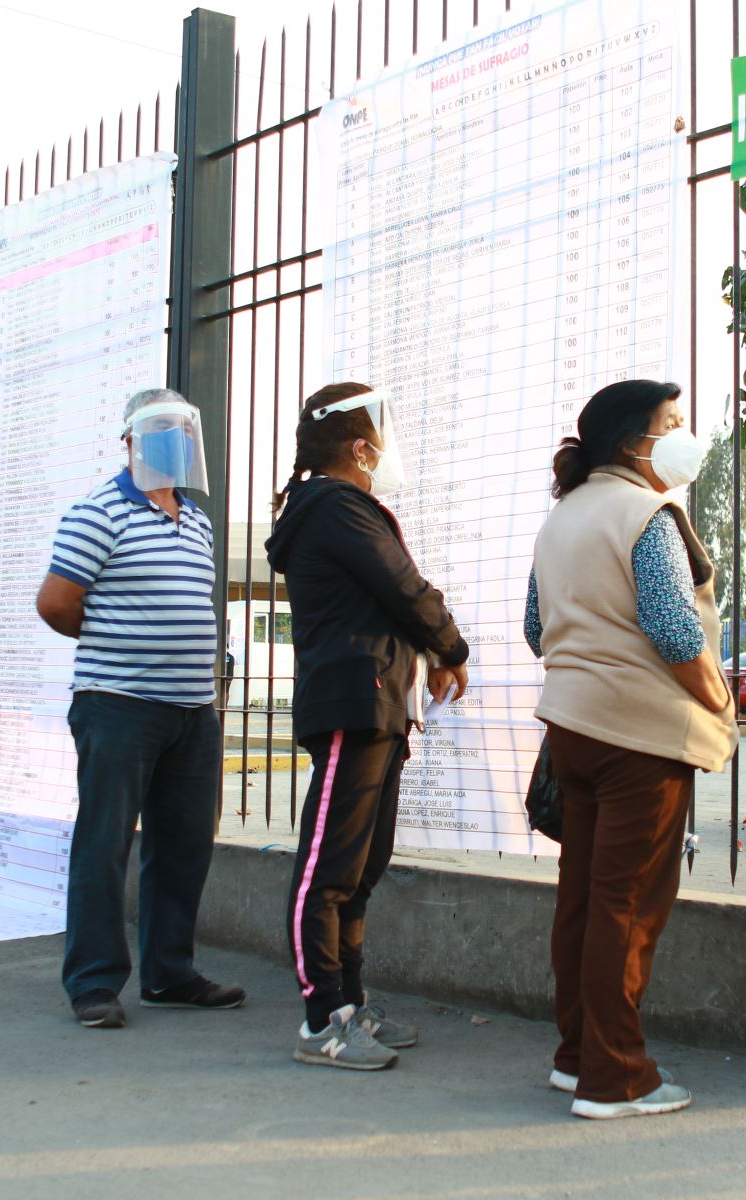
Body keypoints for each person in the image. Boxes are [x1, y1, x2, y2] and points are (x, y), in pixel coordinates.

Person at [524, 379, 737, 1119]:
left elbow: (534, 627)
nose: (684, 434)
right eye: (671, 423)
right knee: (629, 906)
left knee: (583, 896)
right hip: (639, 736)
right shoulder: (649, 513)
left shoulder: (565, 517)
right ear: (631, 441)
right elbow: (678, 633)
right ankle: (616, 1078)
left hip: (573, 729)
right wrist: (717, 697)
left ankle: (576, 1055)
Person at [265, 382, 469, 1071]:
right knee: (326, 869)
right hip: (354, 699)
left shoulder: (337, 507)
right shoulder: (335, 507)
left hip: (380, 701)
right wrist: (452, 647)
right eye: (381, 437)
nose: (388, 451)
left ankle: (351, 1002)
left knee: (361, 866)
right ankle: (322, 1019)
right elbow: (404, 587)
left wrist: (432, 654)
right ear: (359, 447)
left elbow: (394, 594)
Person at [35, 388, 243, 1029]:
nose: (171, 442)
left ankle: (169, 973)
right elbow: (56, 602)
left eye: (183, 430)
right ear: (128, 439)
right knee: (104, 844)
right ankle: (94, 983)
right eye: (158, 430)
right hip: (118, 705)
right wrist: (118, 642)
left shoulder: (199, 519)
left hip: (191, 708)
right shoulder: (98, 511)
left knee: (184, 846)